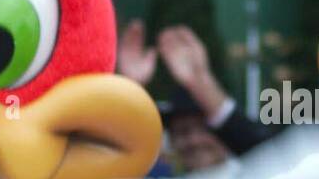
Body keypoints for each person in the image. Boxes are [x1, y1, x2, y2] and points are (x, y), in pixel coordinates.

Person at [117, 21, 275, 170]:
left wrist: (202, 84)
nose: (194, 141)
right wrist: (131, 89)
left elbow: (272, 159)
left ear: (228, 132)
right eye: (183, 132)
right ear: (171, 140)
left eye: (206, 129)